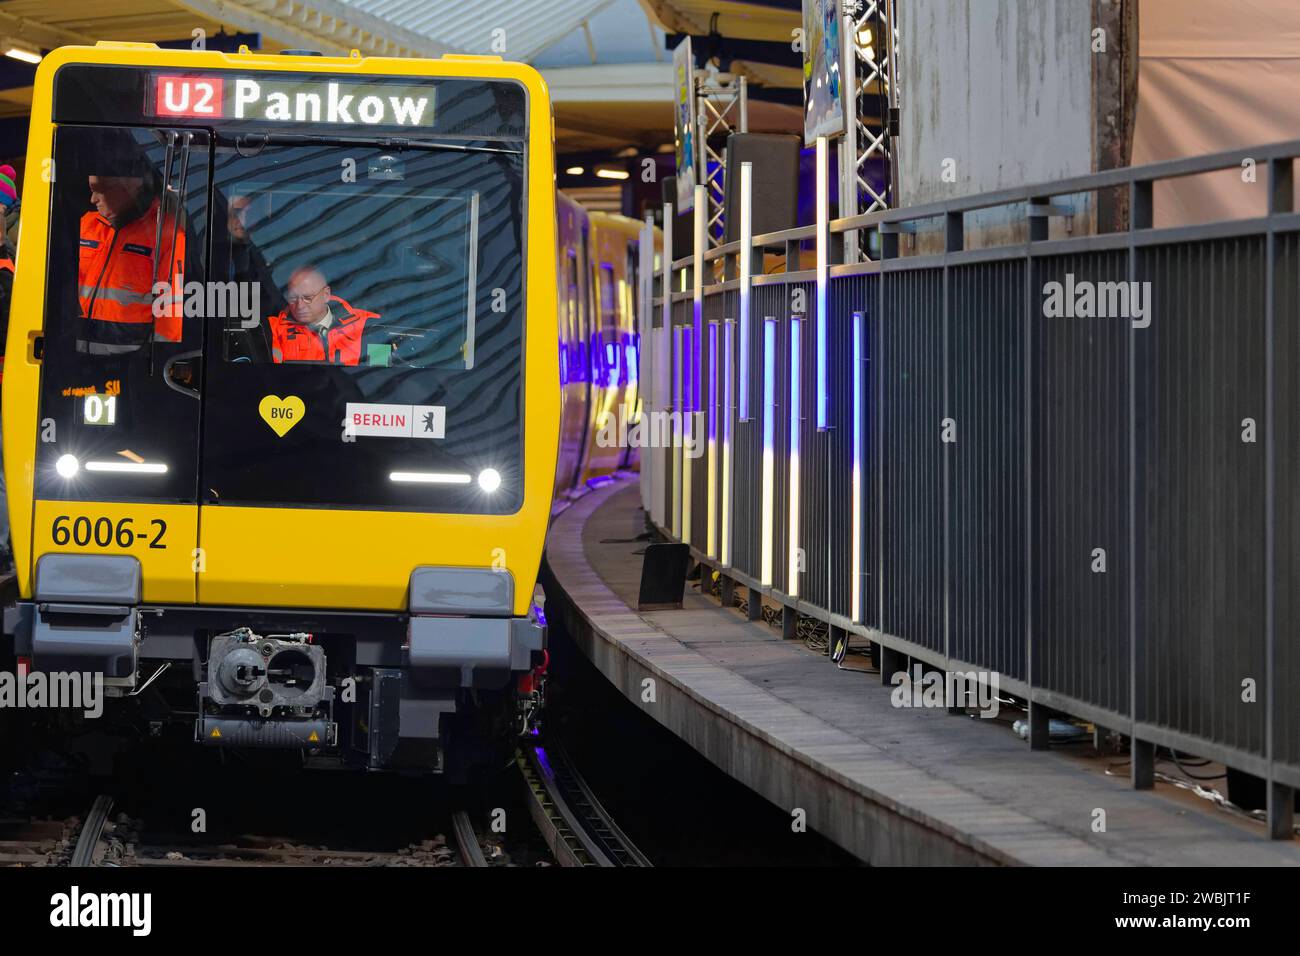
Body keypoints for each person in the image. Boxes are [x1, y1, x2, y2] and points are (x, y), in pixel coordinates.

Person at [78, 160, 185, 354]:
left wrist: (160, 362)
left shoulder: (167, 235)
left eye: (100, 190)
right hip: (70, 362)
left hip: (129, 366)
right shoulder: (85, 226)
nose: (93, 199)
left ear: (132, 185)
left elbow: (171, 315)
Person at [266, 266, 380, 366]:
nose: (300, 305)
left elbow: (379, 374)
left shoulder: (369, 325)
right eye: (293, 298)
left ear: (326, 295)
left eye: (308, 298)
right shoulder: (272, 330)